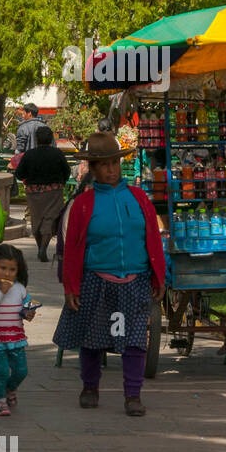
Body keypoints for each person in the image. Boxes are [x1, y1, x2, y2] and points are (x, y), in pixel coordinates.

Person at [53, 132, 165, 416]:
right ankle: (90, 387)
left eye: (114, 163)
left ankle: (133, 395)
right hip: (95, 281)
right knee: (92, 340)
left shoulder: (139, 198)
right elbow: (73, 249)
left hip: (135, 280)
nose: (111, 169)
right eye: (103, 165)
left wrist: (158, 277)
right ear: (92, 168)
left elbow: (152, 239)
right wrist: (71, 286)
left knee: (135, 341)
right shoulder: (82, 205)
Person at [0, 244, 37, 417]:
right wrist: (1, 292)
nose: (7, 273)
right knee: (2, 371)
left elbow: (25, 307)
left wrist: (28, 313)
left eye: (12, 269)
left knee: (21, 371)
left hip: (16, 338)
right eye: (3, 268)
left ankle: (10, 388)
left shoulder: (20, 288)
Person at [16, 126, 72, 262]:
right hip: (54, 191)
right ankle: (43, 249)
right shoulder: (57, 154)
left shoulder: (29, 154)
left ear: (36, 139)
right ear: (51, 138)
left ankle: (40, 247)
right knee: (50, 219)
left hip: (33, 193)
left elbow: (19, 173)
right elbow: (67, 171)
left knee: (36, 220)